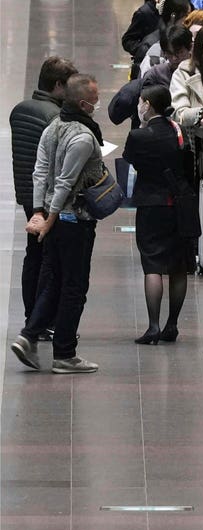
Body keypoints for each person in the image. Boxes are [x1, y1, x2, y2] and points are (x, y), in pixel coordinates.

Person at [11, 74, 106, 375]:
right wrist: (49, 218)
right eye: (95, 98)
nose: (97, 102)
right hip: (73, 221)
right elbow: (64, 183)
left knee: (54, 281)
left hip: (54, 218)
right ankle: (65, 353)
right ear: (83, 103)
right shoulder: (82, 137)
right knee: (75, 287)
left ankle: (28, 335)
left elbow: (40, 173)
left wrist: (38, 211)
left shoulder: (53, 127)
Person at [121, 85, 194, 344]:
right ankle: (172, 324)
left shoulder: (139, 136)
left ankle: (153, 326)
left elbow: (130, 162)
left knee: (152, 264)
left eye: (141, 102)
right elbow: (188, 165)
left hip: (151, 204)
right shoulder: (178, 131)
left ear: (148, 104)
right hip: (180, 204)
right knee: (178, 267)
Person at [9, 57, 77, 323]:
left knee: (33, 255)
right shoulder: (54, 117)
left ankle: (30, 315)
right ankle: (42, 319)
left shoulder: (20, 109)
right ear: (58, 85)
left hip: (27, 194)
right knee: (50, 260)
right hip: (48, 197)